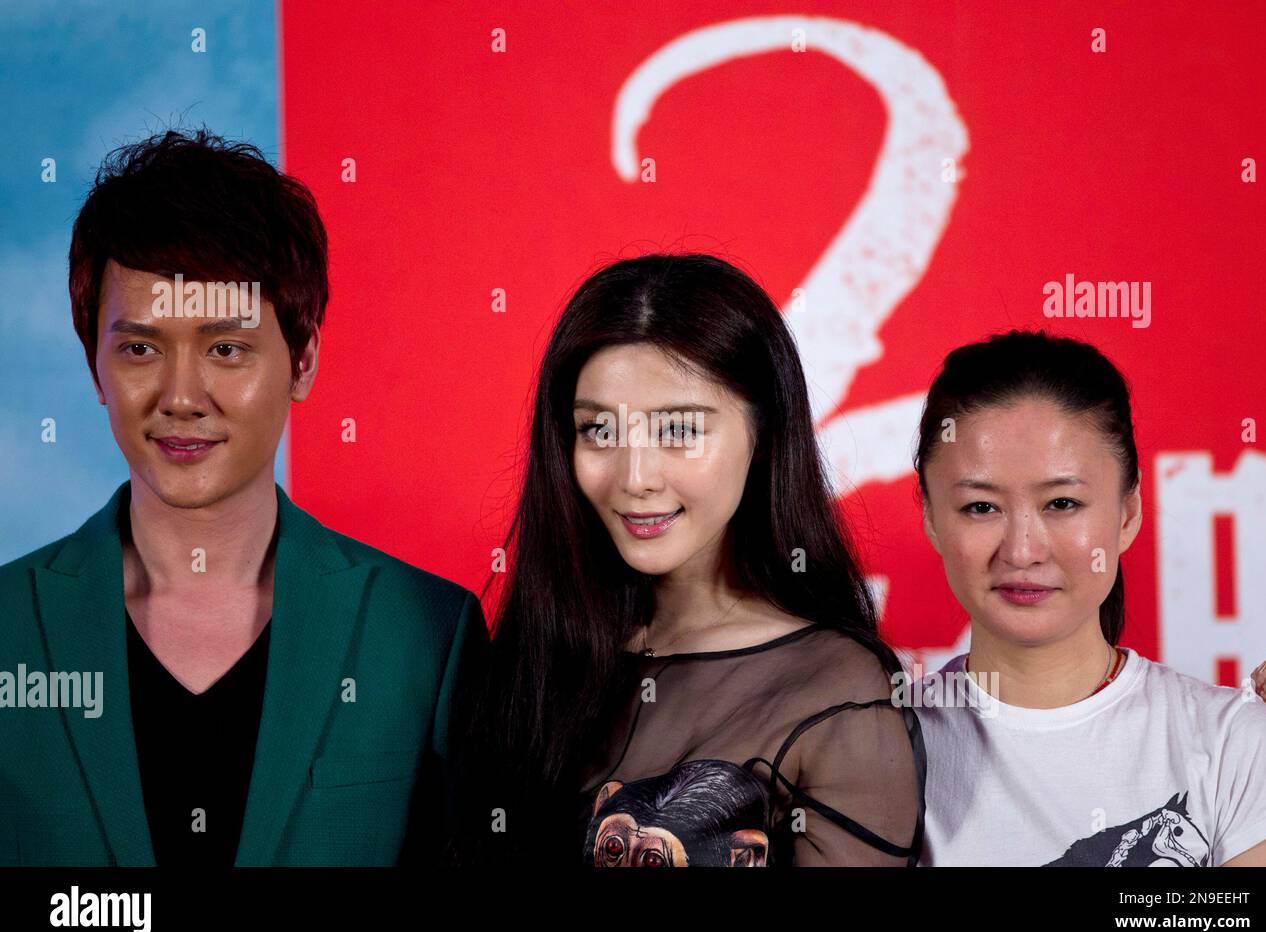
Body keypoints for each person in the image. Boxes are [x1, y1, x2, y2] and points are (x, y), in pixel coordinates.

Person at [0, 128, 486, 866]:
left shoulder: (426, 633)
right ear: (94, 365)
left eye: (226, 348)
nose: (181, 397)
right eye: (140, 348)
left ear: (303, 361)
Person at [448, 253, 925, 867]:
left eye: (679, 430)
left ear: (765, 435)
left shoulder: (837, 689)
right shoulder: (532, 653)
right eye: (599, 431)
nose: (635, 477)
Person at [911, 329, 1266, 866]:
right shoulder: (878, 747)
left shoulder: (1236, 746)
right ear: (930, 516)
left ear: (1128, 513)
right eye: (981, 507)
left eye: (1063, 502)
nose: (1022, 550)